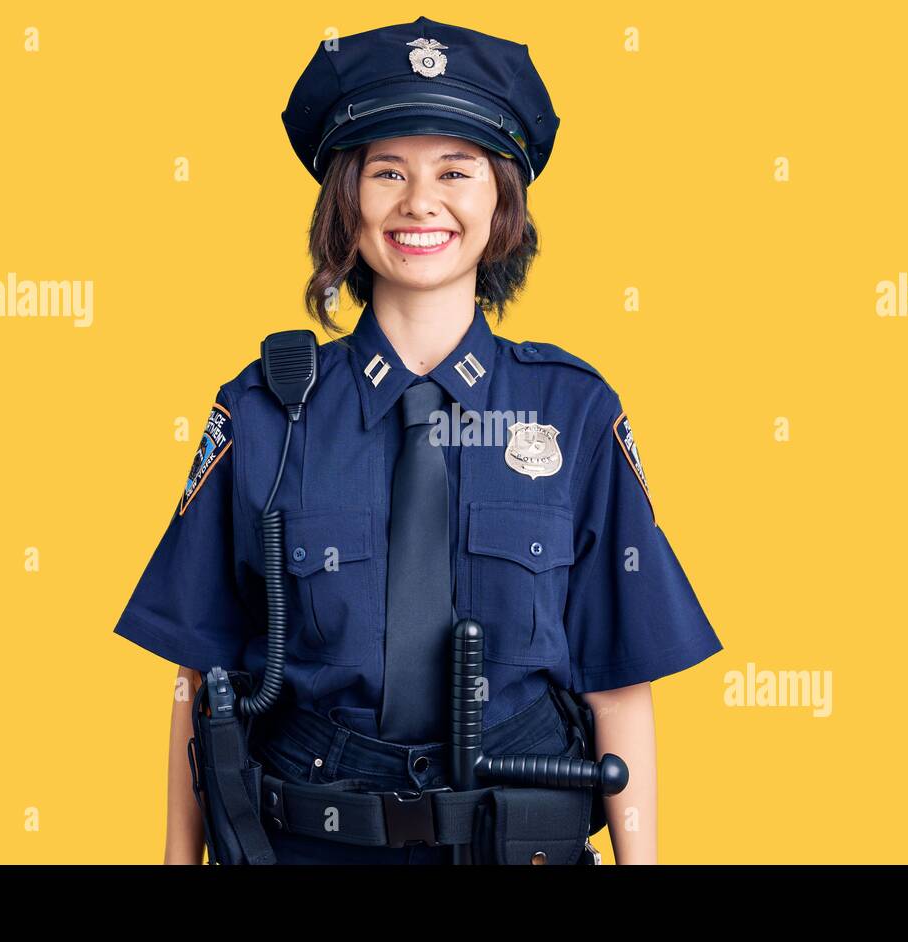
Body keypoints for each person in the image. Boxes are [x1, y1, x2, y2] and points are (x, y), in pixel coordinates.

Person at [112, 15, 723, 865]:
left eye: (456, 171)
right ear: (346, 203)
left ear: (500, 199)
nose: (420, 202)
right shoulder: (259, 415)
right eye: (386, 171)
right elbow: (196, 681)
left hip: (519, 845)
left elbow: (619, 682)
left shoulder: (574, 409)